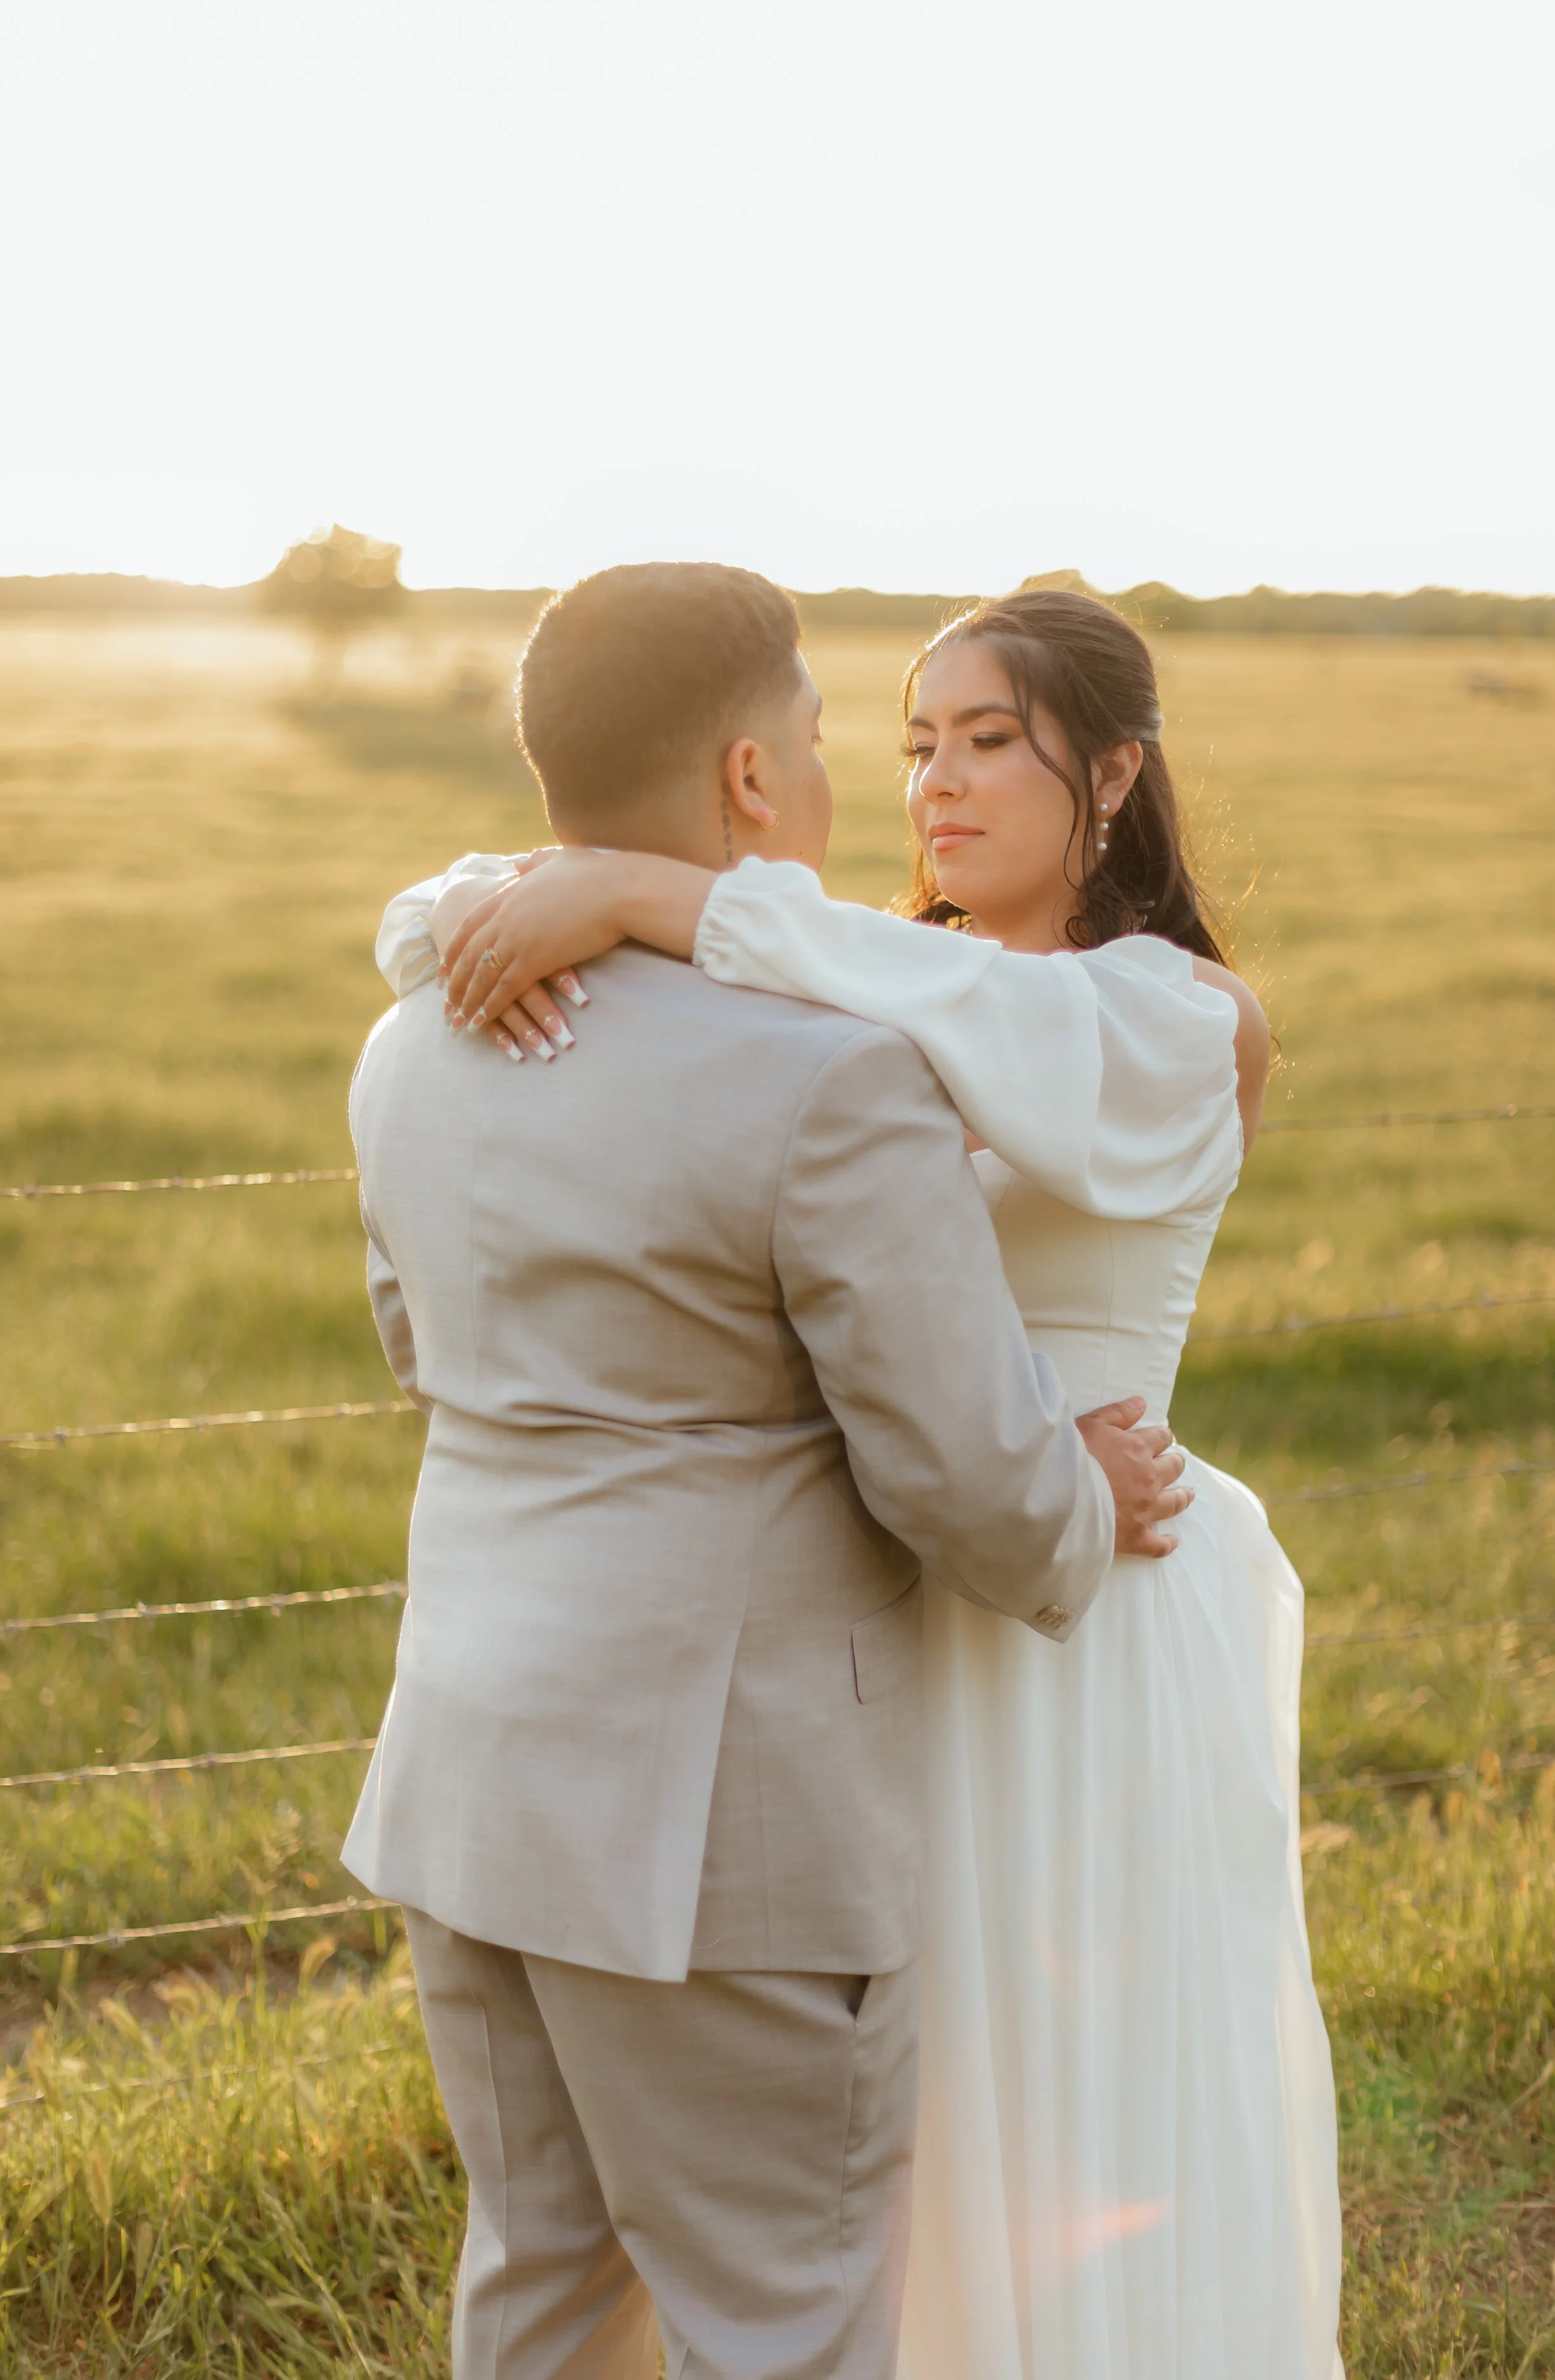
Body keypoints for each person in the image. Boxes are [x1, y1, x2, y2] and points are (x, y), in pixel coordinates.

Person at [406, 585, 1346, 2380]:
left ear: (1116, 771)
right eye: (913, 740)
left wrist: (623, 892)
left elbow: (945, 1006)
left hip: (1092, 1594)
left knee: (1075, 2090)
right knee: (869, 2135)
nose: (936, 782)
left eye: (990, 740)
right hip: (891, 1603)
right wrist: (515, 900)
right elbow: (440, 927)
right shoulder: (857, 985)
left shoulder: (1171, 1016)